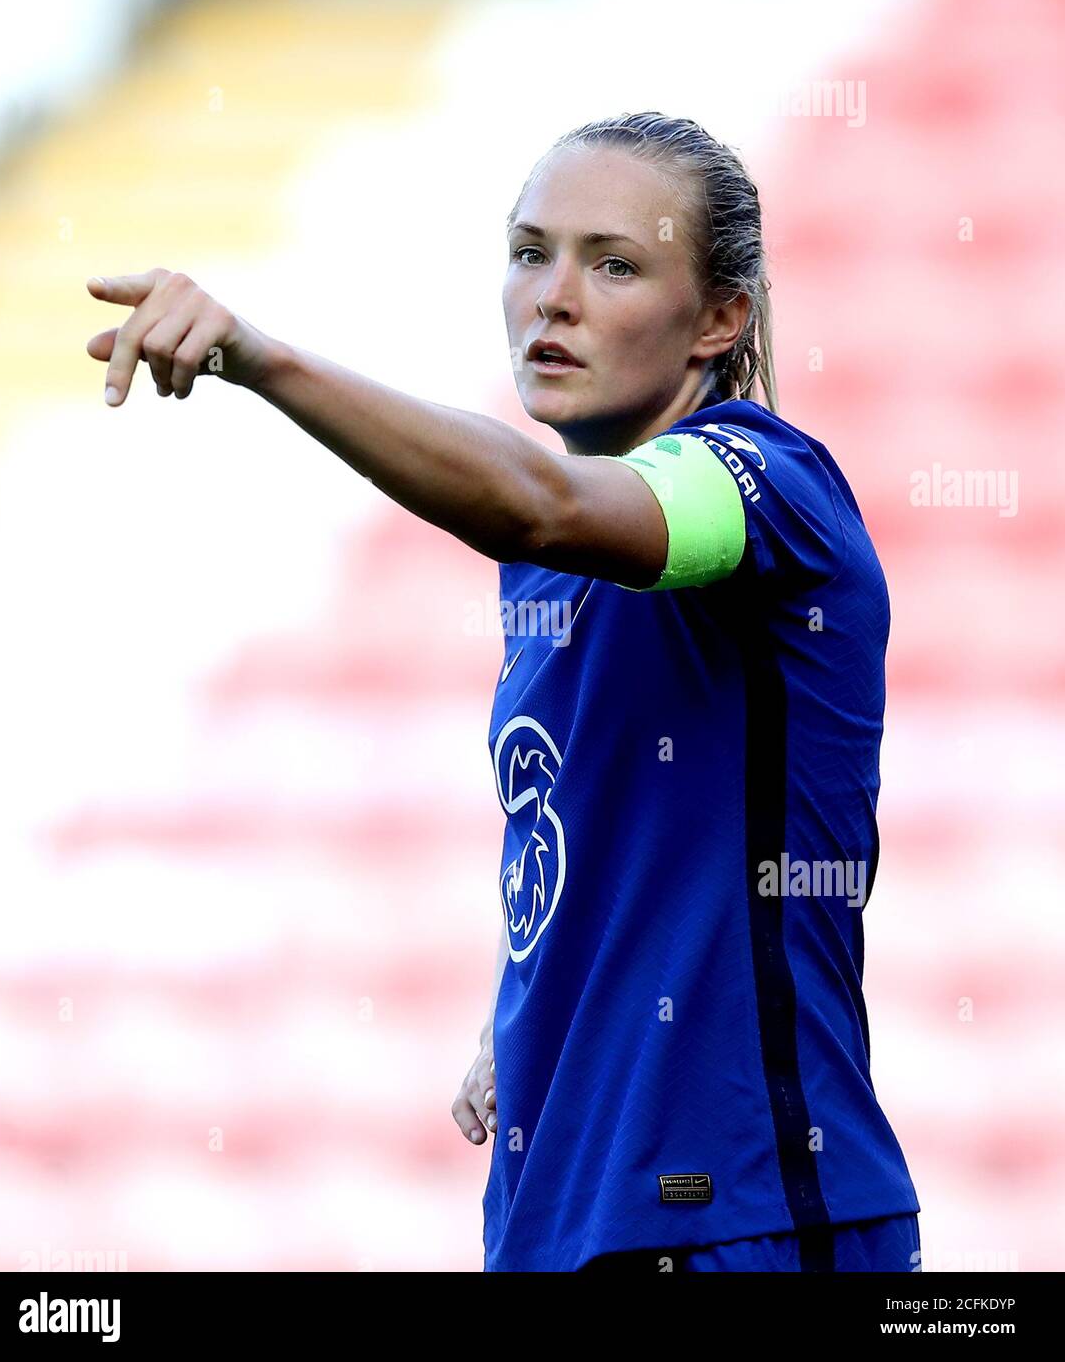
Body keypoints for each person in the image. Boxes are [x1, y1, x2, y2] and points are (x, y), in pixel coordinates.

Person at [85, 109, 921, 1274]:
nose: (553, 297)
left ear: (721, 318)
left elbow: (544, 501)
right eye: (530, 252)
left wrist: (258, 358)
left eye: (614, 263)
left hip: (736, 1221)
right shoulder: (545, 565)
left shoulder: (769, 485)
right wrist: (544, 996)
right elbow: (624, 837)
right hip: (556, 1219)